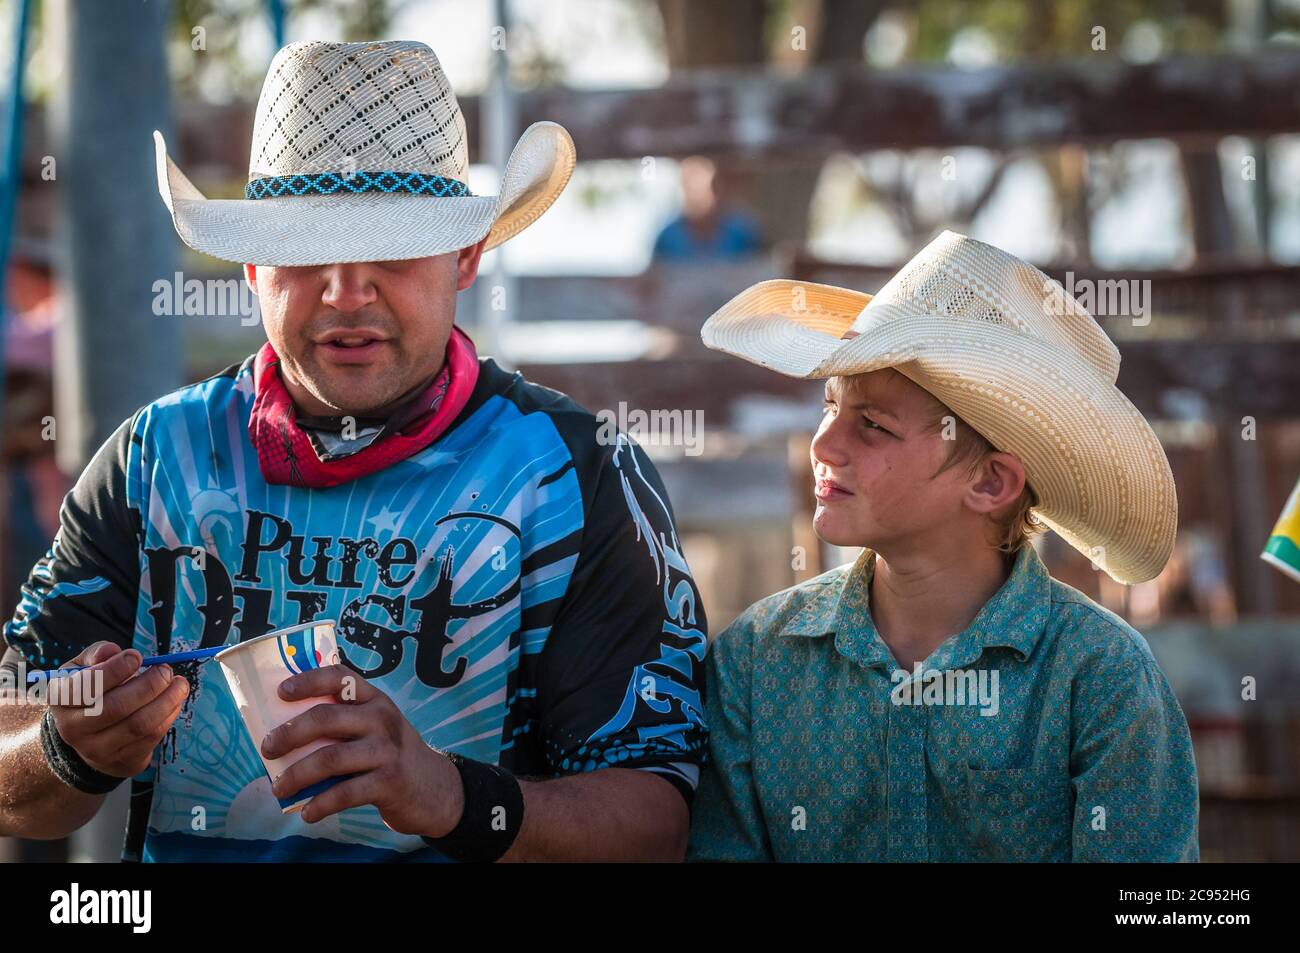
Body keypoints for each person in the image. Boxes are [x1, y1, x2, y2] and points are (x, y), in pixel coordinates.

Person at [0, 40, 706, 863]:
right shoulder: (155, 459)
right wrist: (65, 745)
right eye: (306, 252)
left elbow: (658, 824)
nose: (347, 291)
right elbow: (14, 768)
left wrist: (450, 795)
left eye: (393, 248)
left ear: (467, 255)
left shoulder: (573, 472)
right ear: (255, 262)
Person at [687, 230, 1198, 862]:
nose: (823, 445)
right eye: (830, 406)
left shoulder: (1099, 675)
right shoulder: (756, 661)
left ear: (990, 482)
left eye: (873, 425)